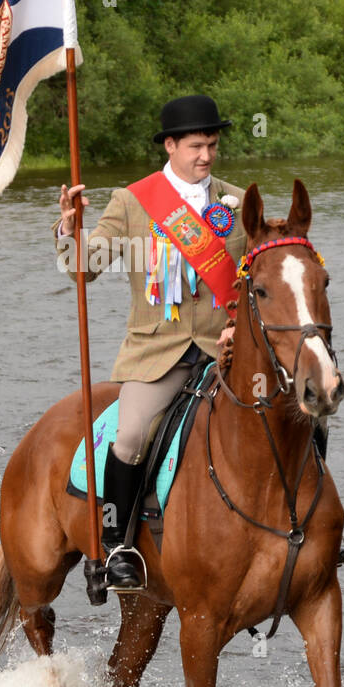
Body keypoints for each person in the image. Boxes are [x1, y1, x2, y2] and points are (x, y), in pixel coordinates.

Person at [56, 95, 246, 591]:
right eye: (196, 146)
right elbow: (84, 267)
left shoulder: (238, 202)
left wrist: (236, 322)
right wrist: (69, 226)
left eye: (212, 145)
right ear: (170, 145)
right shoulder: (133, 201)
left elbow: (250, 278)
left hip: (224, 347)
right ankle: (117, 544)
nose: (206, 155)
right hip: (157, 352)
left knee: (294, 406)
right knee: (132, 434)